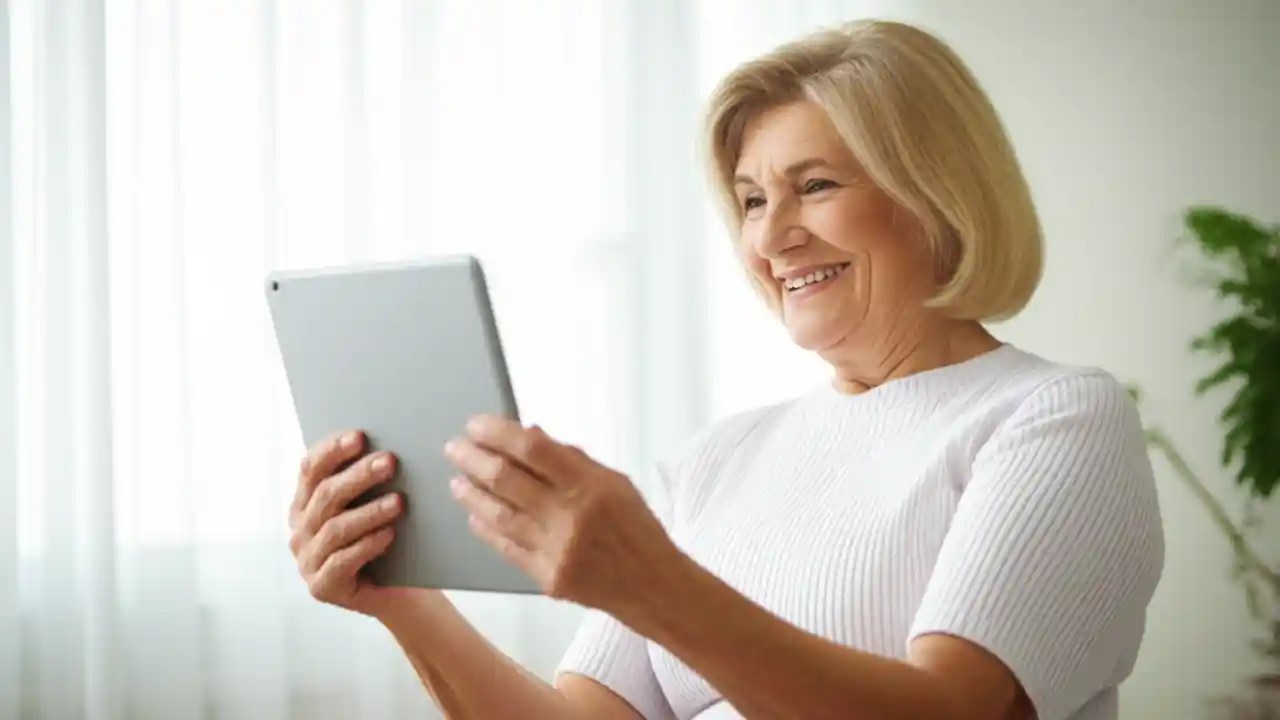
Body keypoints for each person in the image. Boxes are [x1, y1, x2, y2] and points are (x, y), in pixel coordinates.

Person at [286, 19, 1164, 720]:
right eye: (751, 200)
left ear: (936, 196)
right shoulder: (717, 460)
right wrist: (400, 599)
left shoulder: (1051, 418)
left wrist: (651, 583)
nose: (771, 237)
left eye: (815, 185)